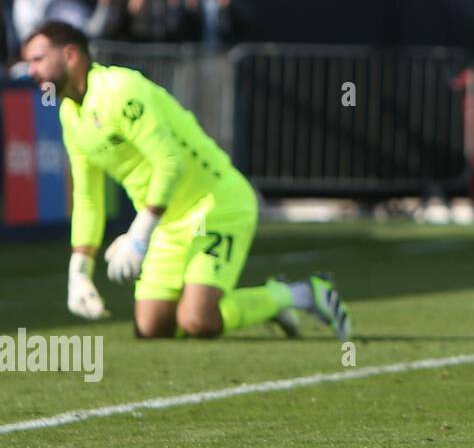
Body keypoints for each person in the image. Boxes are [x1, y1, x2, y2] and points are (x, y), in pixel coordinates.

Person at [21, 20, 353, 338]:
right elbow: (87, 198)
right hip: (168, 219)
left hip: (217, 204)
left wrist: (138, 237)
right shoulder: (69, 115)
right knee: (152, 328)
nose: (31, 71)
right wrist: (78, 273)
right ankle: (260, 305)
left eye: (38, 59)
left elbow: (170, 163)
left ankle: (295, 295)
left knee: (198, 321)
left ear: (70, 54)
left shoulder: (120, 89)